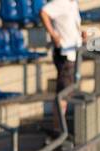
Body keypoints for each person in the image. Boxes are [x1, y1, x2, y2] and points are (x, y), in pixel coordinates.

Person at [40, 0, 88, 136]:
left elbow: (74, 26)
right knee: (62, 93)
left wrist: (81, 35)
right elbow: (43, 13)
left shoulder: (73, 4)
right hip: (65, 54)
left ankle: (60, 128)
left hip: (74, 53)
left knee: (66, 94)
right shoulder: (59, 2)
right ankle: (58, 130)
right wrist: (54, 35)